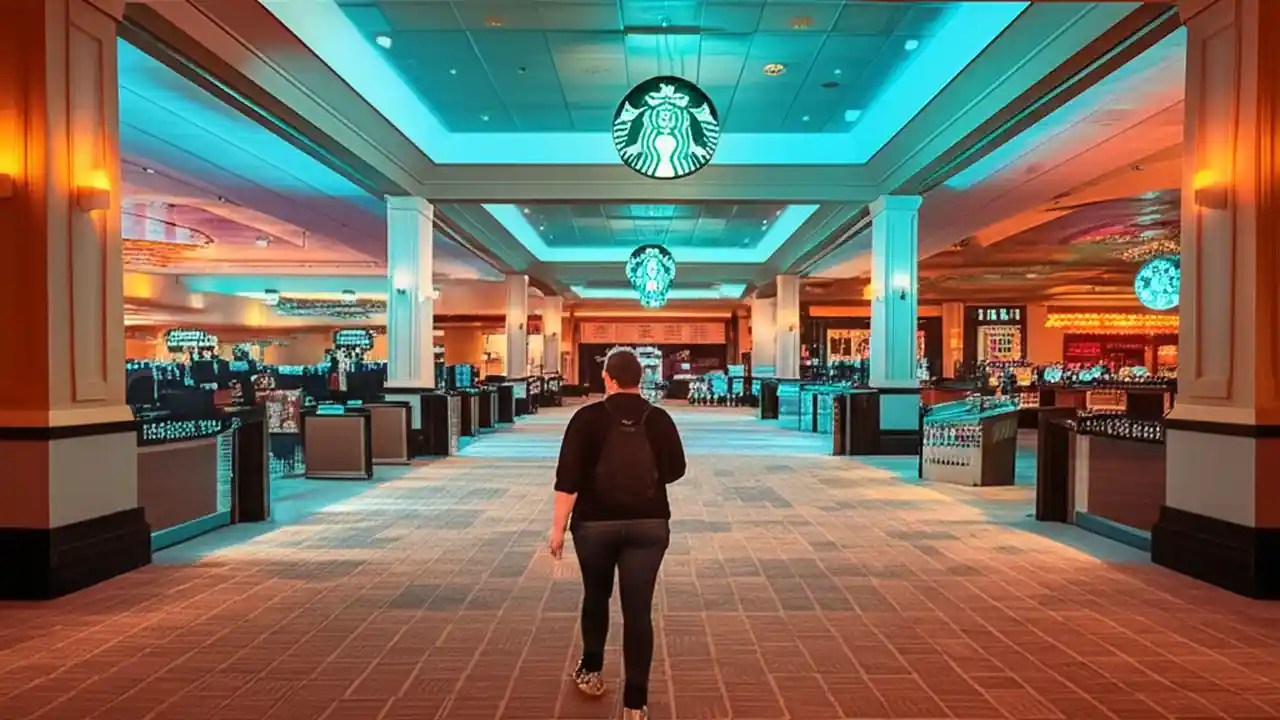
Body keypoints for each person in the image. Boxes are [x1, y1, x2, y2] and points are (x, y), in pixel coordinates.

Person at [548, 348, 687, 720]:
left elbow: (568, 479)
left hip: (594, 525)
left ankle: (591, 670)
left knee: (596, 595)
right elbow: (676, 470)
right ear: (640, 378)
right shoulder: (658, 419)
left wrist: (558, 528)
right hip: (649, 524)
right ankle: (635, 703)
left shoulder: (586, 419)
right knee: (638, 612)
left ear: (607, 378)